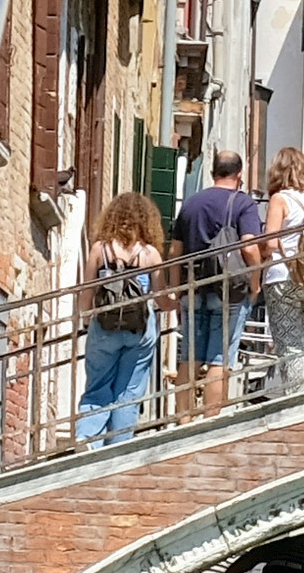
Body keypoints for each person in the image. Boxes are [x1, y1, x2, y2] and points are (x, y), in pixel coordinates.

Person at [72, 192, 167, 447]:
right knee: (129, 391)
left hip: (104, 326)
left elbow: (87, 292)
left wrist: (83, 323)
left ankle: (89, 438)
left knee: (98, 384)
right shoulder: (150, 254)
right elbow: (160, 298)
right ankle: (119, 446)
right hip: (139, 330)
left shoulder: (99, 250)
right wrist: (179, 304)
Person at [173, 151, 266, 408]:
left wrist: (176, 289)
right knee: (219, 359)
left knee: (189, 357)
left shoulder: (191, 203)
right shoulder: (243, 204)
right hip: (229, 291)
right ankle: (209, 422)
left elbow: (175, 251)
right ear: (239, 175)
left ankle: (183, 420)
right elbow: (249, 247)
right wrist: (255, 282)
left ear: (214, 171)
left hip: (193, 287)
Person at [255, 149, 304, 387]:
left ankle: (295, 398)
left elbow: (270, 243)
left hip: (283, 275)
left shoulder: (280, 199)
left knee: (289, 342)